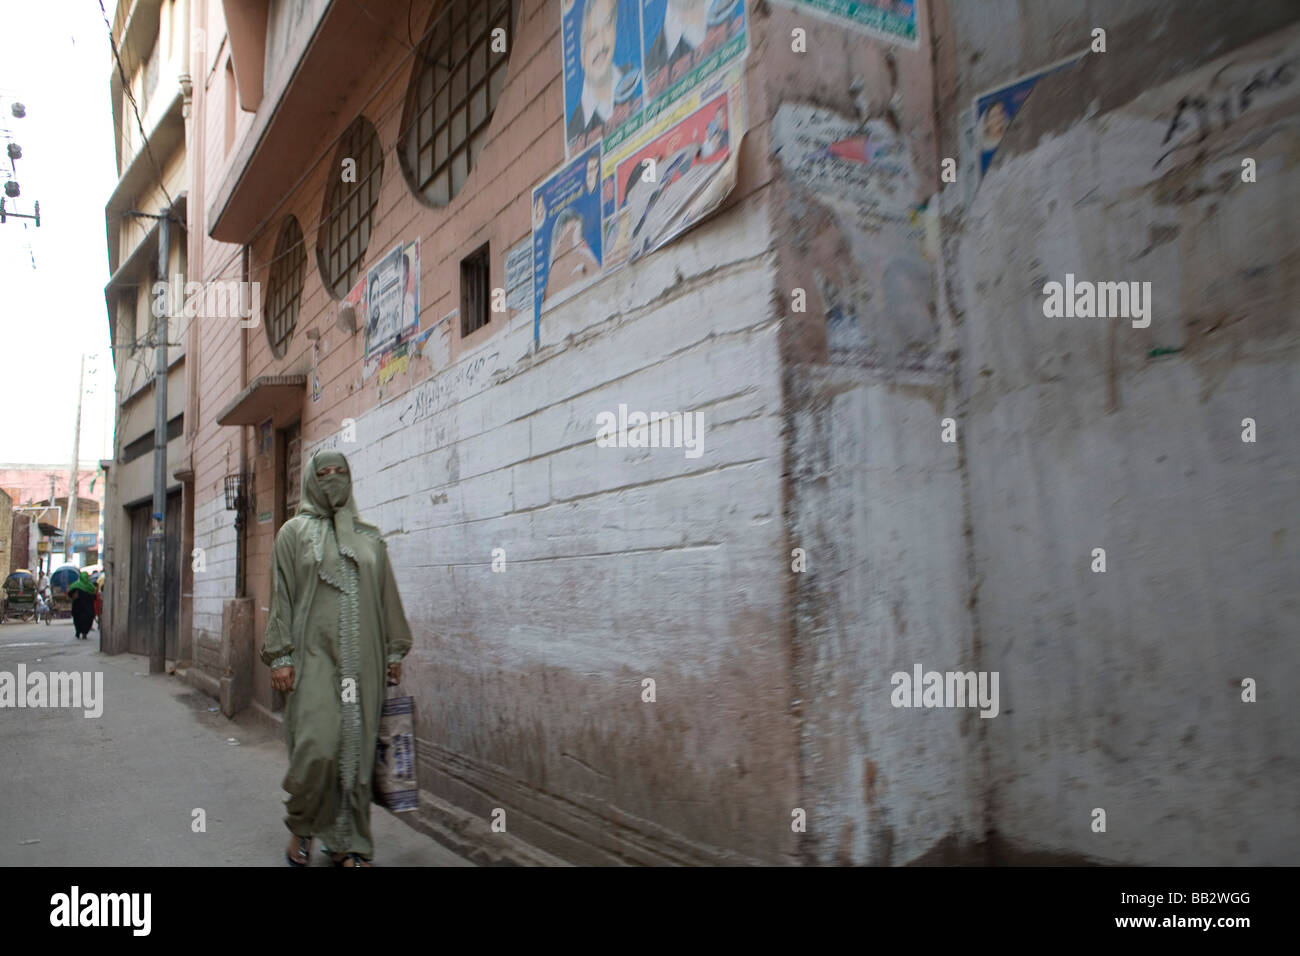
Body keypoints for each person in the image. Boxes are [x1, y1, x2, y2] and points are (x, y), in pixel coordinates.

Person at [260, 450, 413, 867]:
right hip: (311, 661)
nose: (332, 479)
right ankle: (302, 825)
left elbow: (387, 598)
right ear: (311, 480)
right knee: (317, 750)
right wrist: (279, 657)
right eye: (323, 473)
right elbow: (282, 598)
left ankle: (350, 844)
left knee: (356, 755)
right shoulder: (292, 534)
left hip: (363, 662)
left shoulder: (370, 538)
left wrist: (394, 648)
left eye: (339, 472)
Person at [566, 0, 622, 147]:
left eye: (607, 25)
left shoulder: (641, 80)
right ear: (581, 56)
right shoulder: (573, 132)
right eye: (591, 36)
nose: (602, 42)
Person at [69, 571, 97, 640]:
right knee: (87, 620)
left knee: (77, 620)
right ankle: (84, 633)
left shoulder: (75, 586)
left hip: (77, 608)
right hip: (88, 609)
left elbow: (70, 594)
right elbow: (94, 597)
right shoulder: (91, 587)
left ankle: (78, 632)